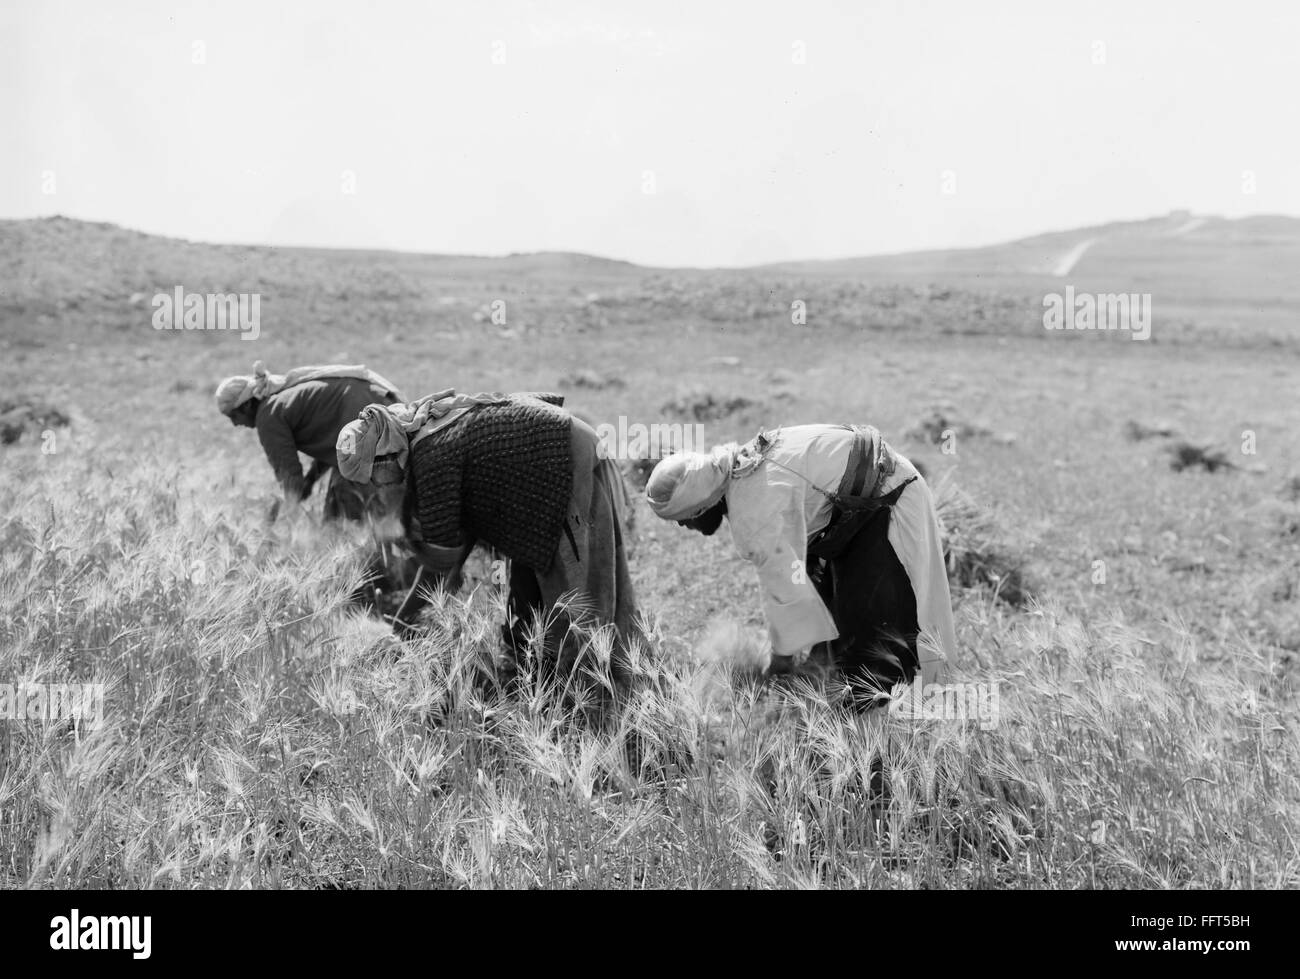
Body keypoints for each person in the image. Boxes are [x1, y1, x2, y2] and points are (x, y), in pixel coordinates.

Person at [337, 389, 640, 687]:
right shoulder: (420, 440)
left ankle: (600, 693)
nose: (376, 486)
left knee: (576, 600)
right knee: (527, 606)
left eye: (371, 476)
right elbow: (458, 538)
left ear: (386, 457)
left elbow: (440, 565)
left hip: (561, 462)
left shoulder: (430, 456)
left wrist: (400, 623)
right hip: (534, 487)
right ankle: (539, 682)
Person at [645, 423, 956, 707]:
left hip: (888, 503)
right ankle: (860, 715)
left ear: (701, 505)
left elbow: (787, 592)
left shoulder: (753, 512)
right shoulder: (742, 467)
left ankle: (894, 734)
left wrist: (779, 665)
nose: (684, 527)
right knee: (845, 628)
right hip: (860, 512)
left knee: (876, 641)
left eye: (682, 518)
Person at [215, 361, 409, 522]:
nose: (234, 424)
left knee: (346, 509)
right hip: (377, 404)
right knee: (353, 501)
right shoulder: (280, 401)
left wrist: (286, 520)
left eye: (233, 416)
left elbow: (289, 474)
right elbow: (333, 445)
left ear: (247, 405)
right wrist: (310, 482)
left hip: (363, 417)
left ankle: (379, 558)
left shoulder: (268, 415)